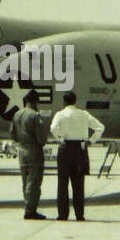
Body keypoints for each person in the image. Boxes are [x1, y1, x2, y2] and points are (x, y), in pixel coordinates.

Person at [48, 91, 105, 221]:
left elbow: (53, 128)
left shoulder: (60, 114)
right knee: (79, 183)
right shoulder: (84, 114)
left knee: (63, 183)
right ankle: (80, 215)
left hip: (66, 148)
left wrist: (60, 139)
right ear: (75, 101)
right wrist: (91, 141)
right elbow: (100, 127)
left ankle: (63, 215)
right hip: (80, 149)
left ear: (64, 101)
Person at [9, 90, 46, 220]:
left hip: (21, 150)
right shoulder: (35, 115)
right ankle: (30, 210)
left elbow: (12, 135)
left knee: (25, 181)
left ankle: (27, 205)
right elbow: (42, 138)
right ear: (36, 101)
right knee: (34, 181)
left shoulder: (17, 114)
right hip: (33, 150)